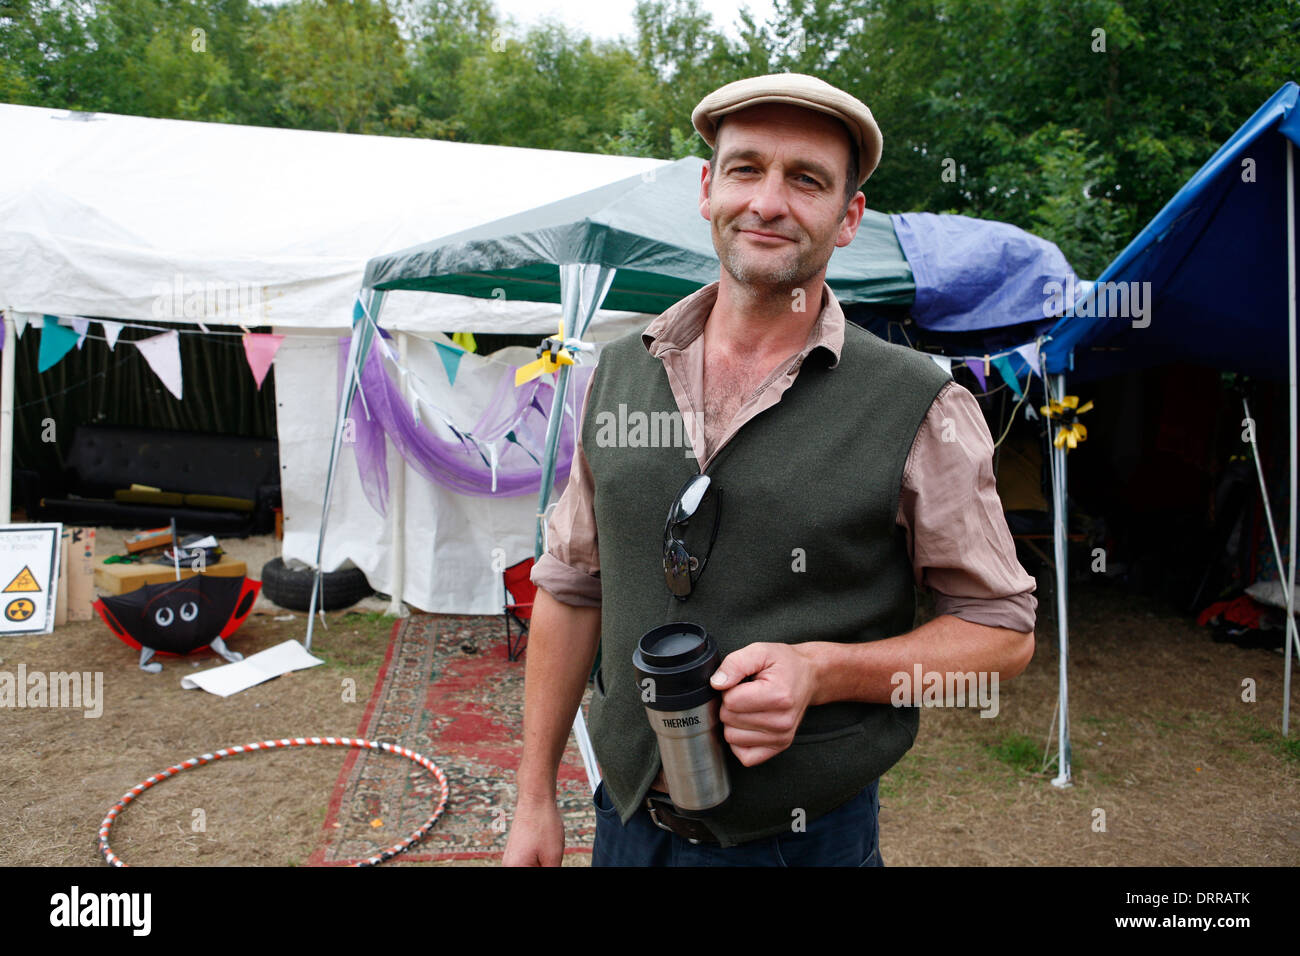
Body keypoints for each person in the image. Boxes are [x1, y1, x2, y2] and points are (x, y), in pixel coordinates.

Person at [503, 74, 1037, 867]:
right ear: (709, 188)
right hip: (624, 826)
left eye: (807, 179)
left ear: (847, 217)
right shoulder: (616, 374)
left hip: (802, 842)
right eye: (747, 169)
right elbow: (574, 585)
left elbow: (1000, 634)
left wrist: (825, 672)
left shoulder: (920, 403)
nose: (768, 202)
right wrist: (534, 796)